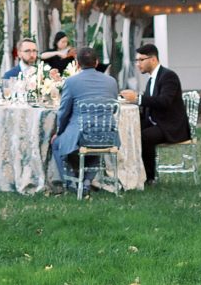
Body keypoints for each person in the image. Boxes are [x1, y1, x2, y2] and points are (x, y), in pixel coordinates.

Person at [120, 40, 190, 184]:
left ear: (153, 59)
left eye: (141, 60)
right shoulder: (151, 79)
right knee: (129, 131)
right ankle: (128, 173)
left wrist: (138, 98)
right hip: (156, 121)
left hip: (170, 125)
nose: (138, 63)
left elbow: (164, 102)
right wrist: (132, 102)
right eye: (137, 60)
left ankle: (149, 178)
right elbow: (149, 104)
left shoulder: (169, 76)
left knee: (144, 137)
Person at [52, 45, 120, 194]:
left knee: (56, 144)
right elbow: (114, 108)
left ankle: (72, 184)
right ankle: (87, 182)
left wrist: (59, 131)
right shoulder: (111, 81)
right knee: (98, 146)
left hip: (81, 133)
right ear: (96, 62)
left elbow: (63, 112)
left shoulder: (71, 82)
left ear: (77, 63)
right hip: (107, 134)